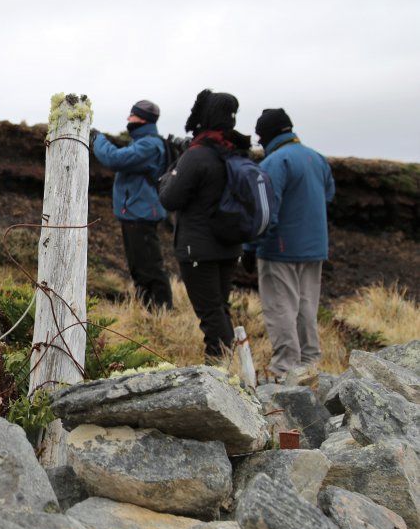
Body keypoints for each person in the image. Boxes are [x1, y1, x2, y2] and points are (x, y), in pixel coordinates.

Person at [243, 108, 335, 380]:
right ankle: (311, 362)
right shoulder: (317, 159)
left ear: (267, 135)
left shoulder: (274, 163)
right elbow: (328, 197)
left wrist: (251, 247)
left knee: (280, 306)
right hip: (315, 246)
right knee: (307, 305)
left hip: (279, 248)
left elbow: (266, 212)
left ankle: (285, 366)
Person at [159, 89, 250, 360]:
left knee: (210, 313)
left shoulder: (198, 155)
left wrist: (168, 174)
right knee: (220, 307)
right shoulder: (236, 152)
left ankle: (220, 370)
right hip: (229, 245)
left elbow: (169, 198)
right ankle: (231, 366)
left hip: (199, 248)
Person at [92, 100, 173, 310]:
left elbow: (114, 159)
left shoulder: (148, 145)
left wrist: (98, 139)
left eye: (132, 115)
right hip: (136, 213)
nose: (128, 119)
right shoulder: (143, 142)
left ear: (142, 119)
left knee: (149, 267)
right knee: (139, 266)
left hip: (142, 214)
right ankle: (149, 308)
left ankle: (162, 310)